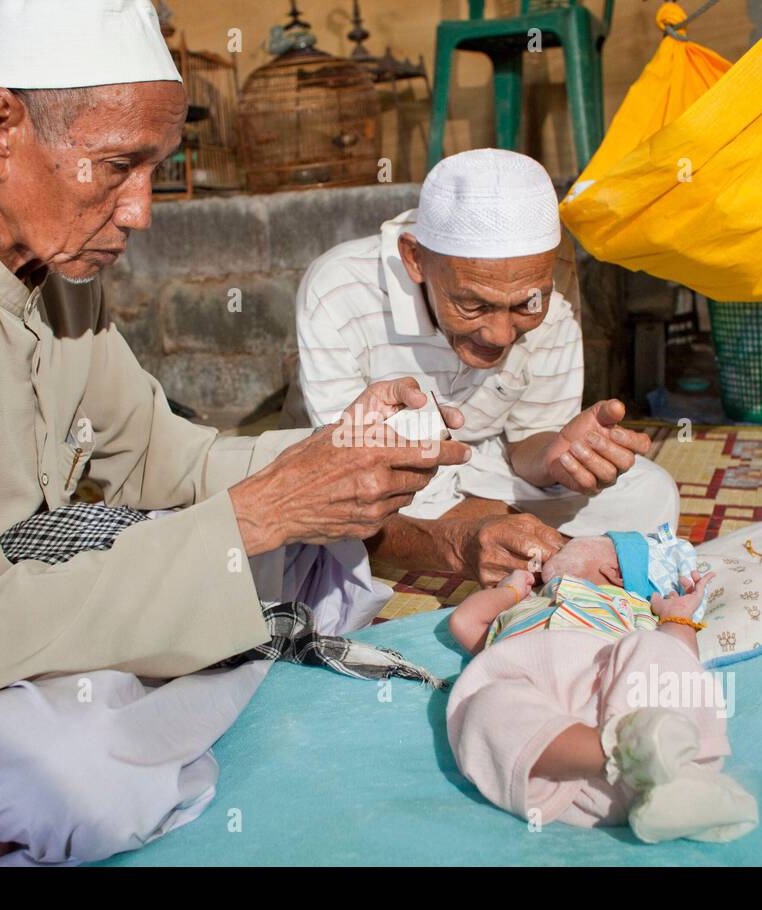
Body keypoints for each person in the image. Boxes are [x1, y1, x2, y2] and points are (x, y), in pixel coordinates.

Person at [0, 0, 468, 865]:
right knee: (73, 775)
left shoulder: (54, 267)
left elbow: (166, 459)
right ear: (2, 128)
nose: (141, 212)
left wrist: (329, 460)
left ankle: (130, 716)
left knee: (308, 548)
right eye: (117, 167)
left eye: (156, 168)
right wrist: (255, 519)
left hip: (12, 597)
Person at [283, 148, 681, 586]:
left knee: (650, 494)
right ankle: (512, 545)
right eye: (472, 303)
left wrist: (557, 459)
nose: (500, 335)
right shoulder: (337, 288)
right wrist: (471, 532)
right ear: (415, 258)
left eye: (527, 305)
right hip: (371, 475)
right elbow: (345, 470)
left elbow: (527, 442)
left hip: (484, 463)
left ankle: (509, 542)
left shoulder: (553, 272)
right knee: (325, 521)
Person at [444, 536, 759, 843]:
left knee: (655, 648)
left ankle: (671, 771)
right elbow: (464, 621)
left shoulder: (633, 607)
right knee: (487, 702)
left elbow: (678, 656)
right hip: (562, 762)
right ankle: (641, 763)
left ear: (615, 573)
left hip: (615, 699)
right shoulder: (526, 605)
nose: (555, 545)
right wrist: (510, 592)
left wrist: (677, 619)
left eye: (567, 545)